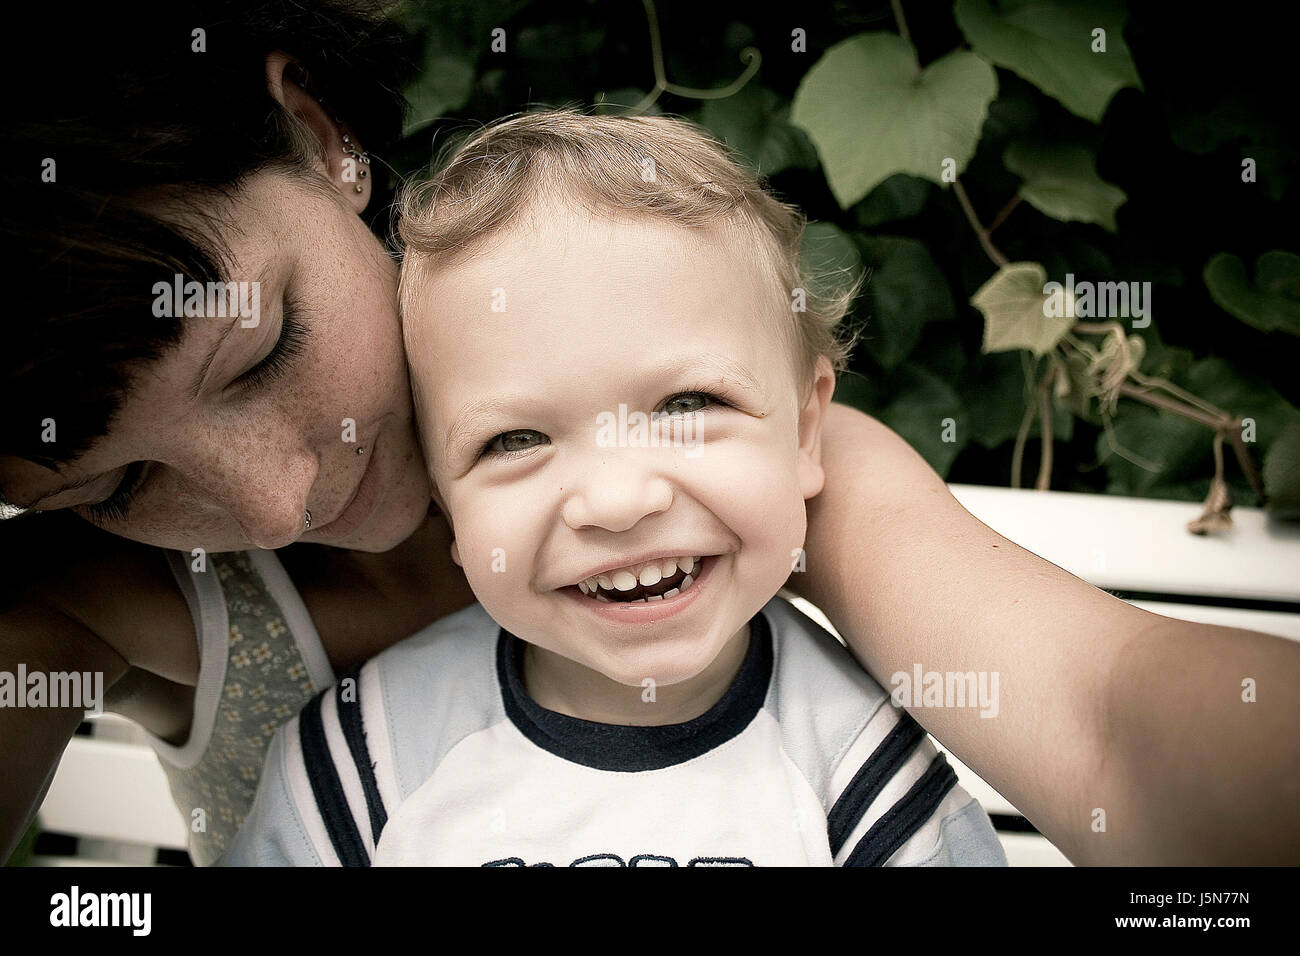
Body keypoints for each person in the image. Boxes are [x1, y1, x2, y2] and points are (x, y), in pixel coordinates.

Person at [3, 0, 1297, 867]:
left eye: (265, 346)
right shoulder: (72, 616)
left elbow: (1105, 713)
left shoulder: (739, 474)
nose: (277, 506)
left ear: (320, 134)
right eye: (117, 483)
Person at [220, 111, 1007, 866]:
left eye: (689, 405)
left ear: (804, 433)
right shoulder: (365, 761)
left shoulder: (858, 762)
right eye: (515, 440)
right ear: (444, 500)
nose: (618, 500)